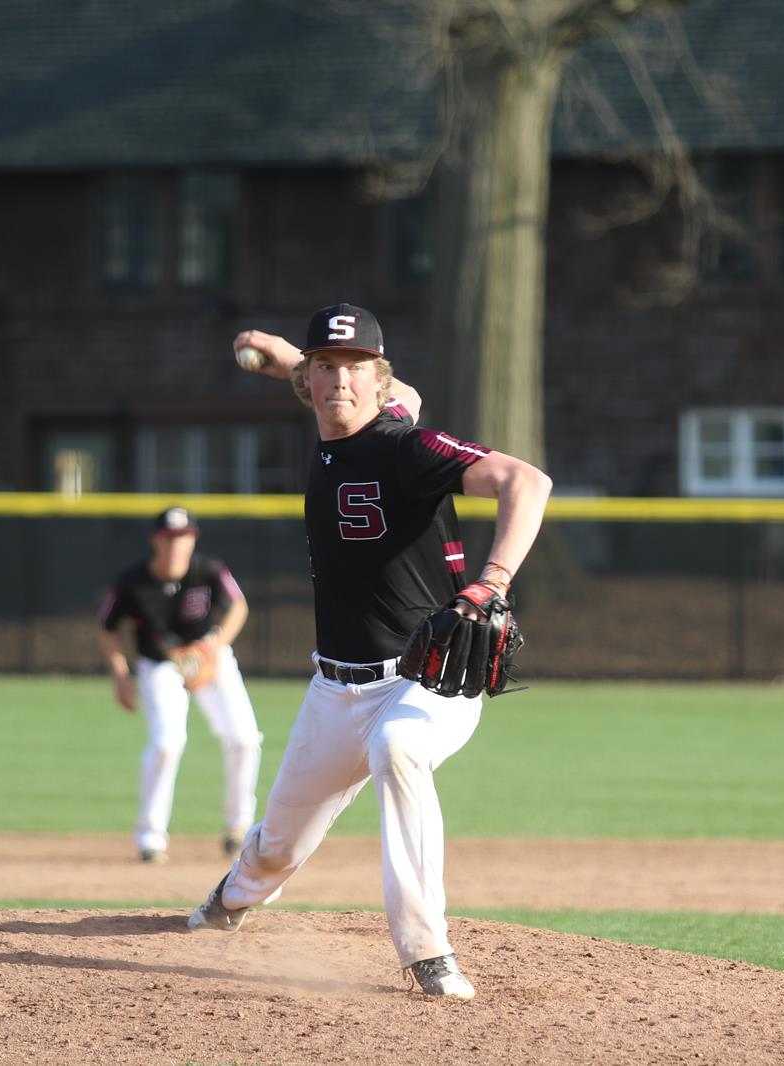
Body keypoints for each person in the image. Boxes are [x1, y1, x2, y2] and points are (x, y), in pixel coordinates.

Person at [187, 303, 552, 1001]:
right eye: (327, 368)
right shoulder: (338, 405)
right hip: (333, 690)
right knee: (277, 847)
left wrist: (492, 582)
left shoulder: (404, 446)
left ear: (380, 381)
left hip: (423, 682)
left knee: (398, 746)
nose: (341, 382)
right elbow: (336, 378)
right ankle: (230, 901)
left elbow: (527, 482)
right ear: (308, 380)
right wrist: (283, 354)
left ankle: (427, 951)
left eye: (357, 369)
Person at [97, 506, 264, 864]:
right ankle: (150, 838)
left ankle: (238, 828)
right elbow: (107, 627)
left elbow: (238, 606)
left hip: (208, 656)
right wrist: (121, 674)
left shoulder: (208, 569)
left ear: (193, 540)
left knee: (245, 739)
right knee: (167, 743)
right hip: (160, 665)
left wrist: (214, 647)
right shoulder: (132, 581)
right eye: (169, 537)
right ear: (155, 540)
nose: (176, 544)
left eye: (183, 536)